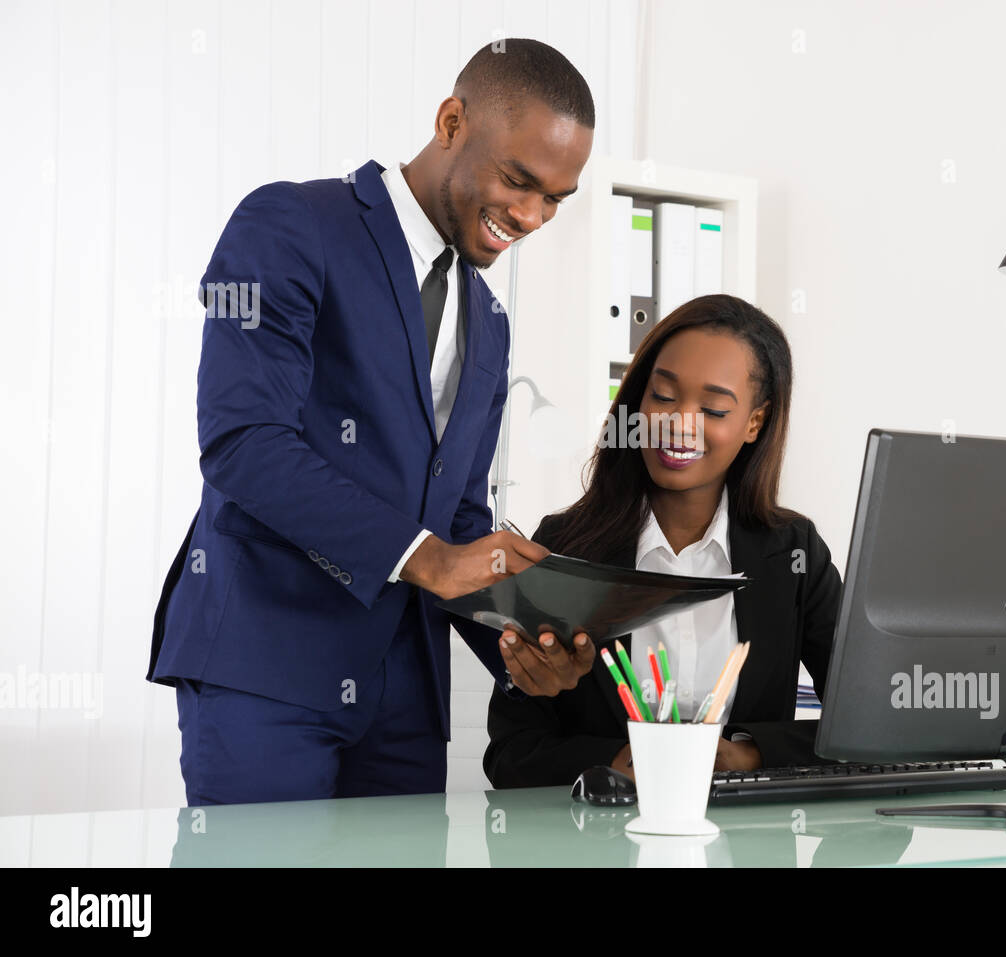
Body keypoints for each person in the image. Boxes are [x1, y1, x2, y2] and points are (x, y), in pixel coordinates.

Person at [148, 39, 597, 806]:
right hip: (266, 665)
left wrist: (521, 644)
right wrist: (428, 558)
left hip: (403, 702)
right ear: (452, 120)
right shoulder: (289, 223)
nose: (531, 216)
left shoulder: (488, 320)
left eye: (556, 197)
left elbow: (456, 518)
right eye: (519, 180)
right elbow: (243, 443)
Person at [483, 295, 844, 788]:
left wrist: (753, 756)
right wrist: (612, 762)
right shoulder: (564, 545)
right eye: (664, 396)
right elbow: (510, 753)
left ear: (754, 424)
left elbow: (870, 732)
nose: (679, 424)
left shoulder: (794, 555)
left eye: (714, 408)